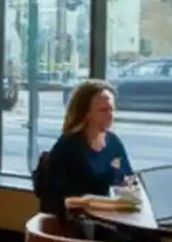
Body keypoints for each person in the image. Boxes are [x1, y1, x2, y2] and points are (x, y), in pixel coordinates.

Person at [39, 80, 133, 215]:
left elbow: (128, 178)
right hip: (79, 221)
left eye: (111, 109)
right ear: (86, 113)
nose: (110, 115)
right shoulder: (69, 146)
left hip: (112, 215)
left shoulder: (114, 142)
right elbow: (56, 200)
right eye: (103, 110)